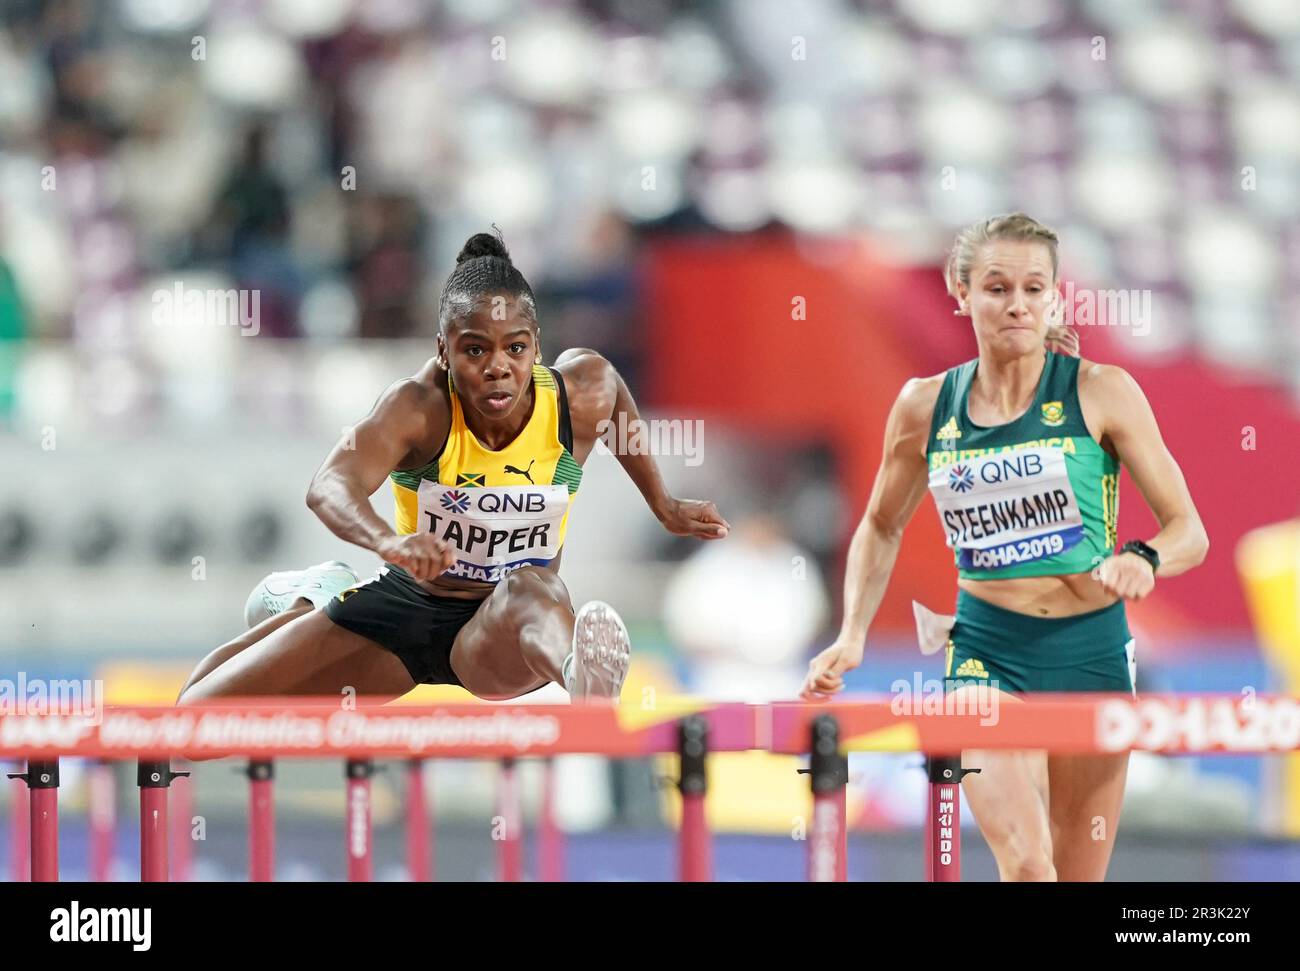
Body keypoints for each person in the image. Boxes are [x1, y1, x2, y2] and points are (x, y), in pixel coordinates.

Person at [801, 213, 1208, 881]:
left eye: (1032, 288)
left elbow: (1189, 528)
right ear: (959, 293)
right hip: (985, 654)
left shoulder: (1100, 391)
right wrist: (852, 633)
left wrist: (1144, 556)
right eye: (996, 288)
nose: (1016, 304)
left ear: (1053, 296)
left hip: (1093, 655)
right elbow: (880, 522)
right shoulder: (925, 405)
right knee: (1025, 864)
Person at [179, 231, 728, 707]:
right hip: (408, 610)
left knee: (531, 588)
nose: (497, 368)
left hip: (502, 633)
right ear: (443, 351)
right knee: (194, 716)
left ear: (536, 347)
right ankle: (316, 597)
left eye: (515, 348)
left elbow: (618, 411)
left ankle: (581, 677)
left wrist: (663, 503)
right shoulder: (417, 406)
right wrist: (387, 543)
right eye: (474, 350)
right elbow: (329, 486)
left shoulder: (582, 389)